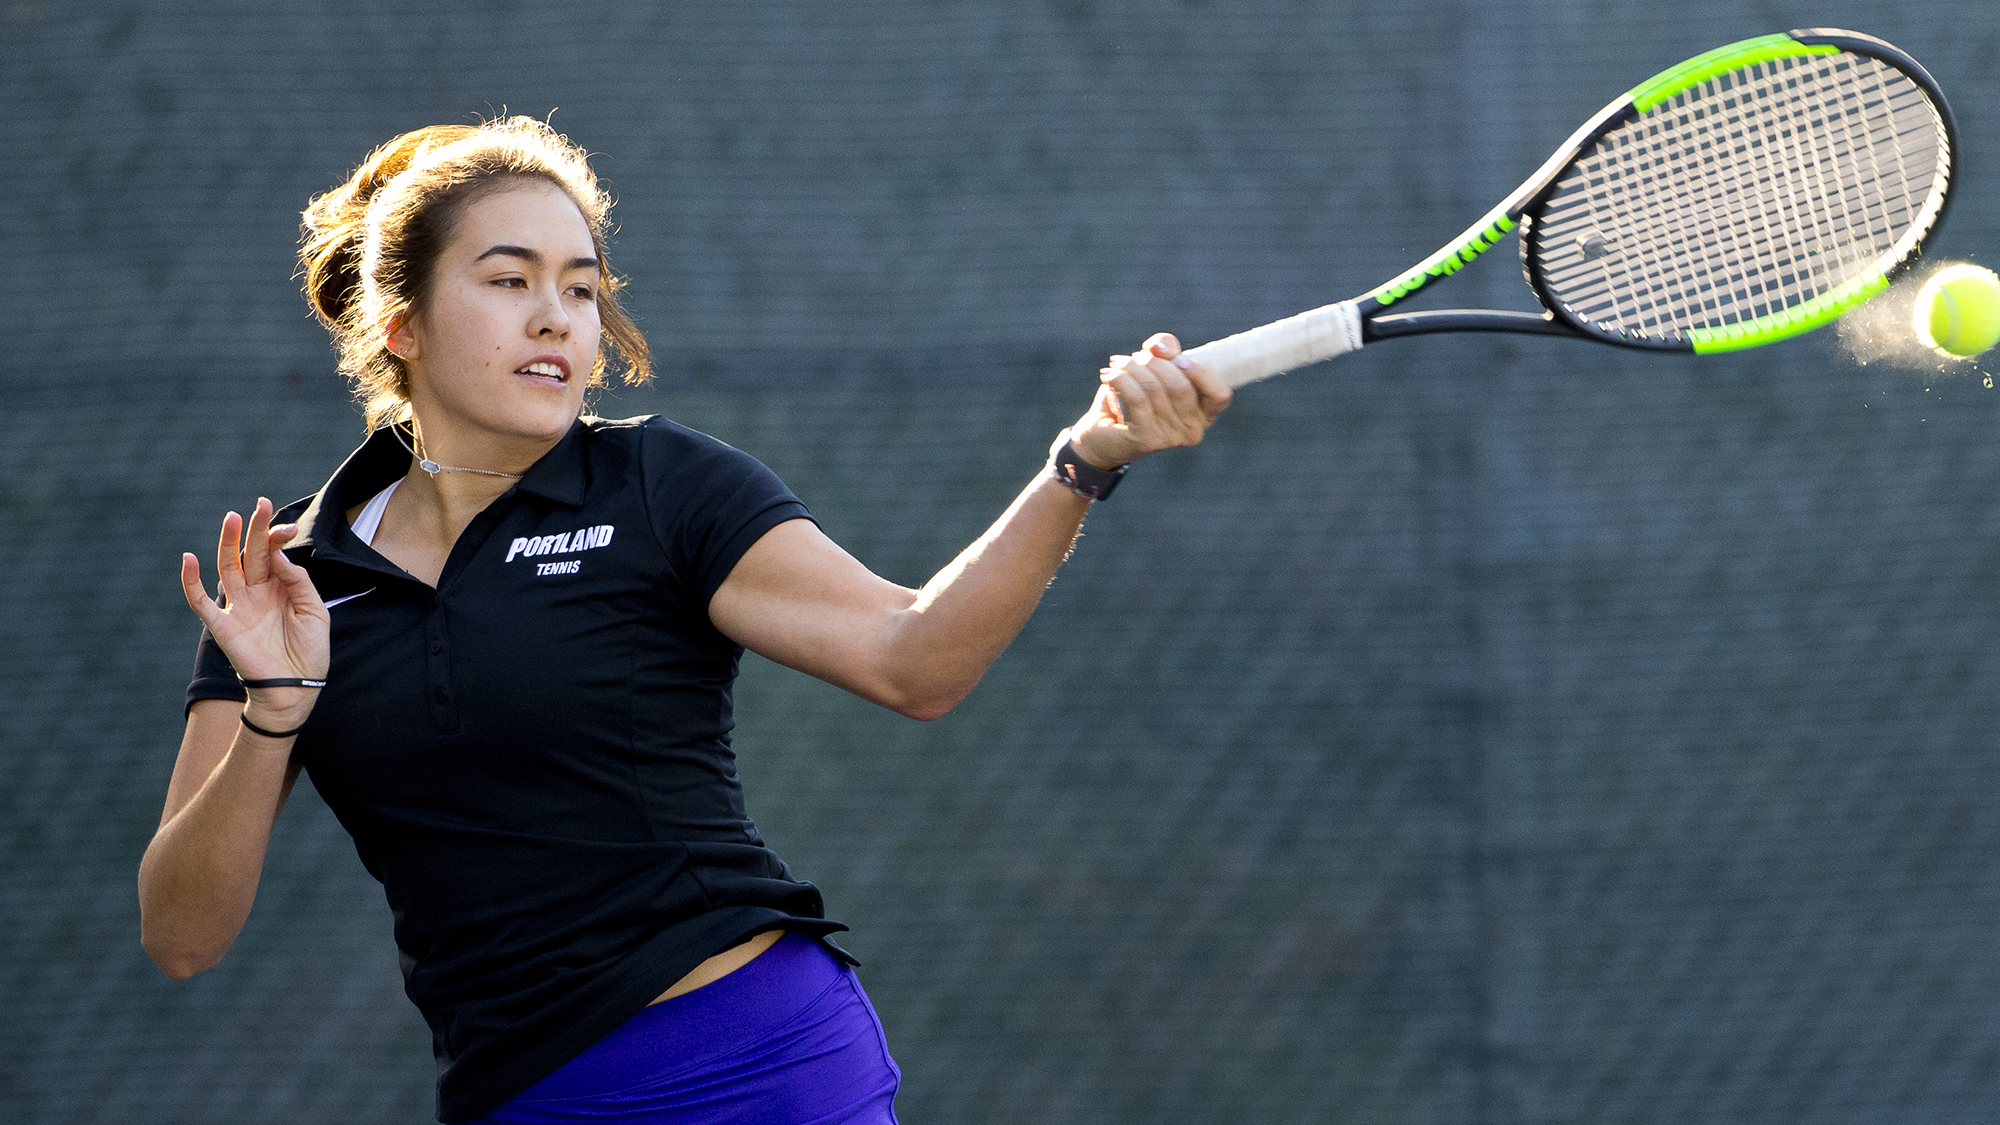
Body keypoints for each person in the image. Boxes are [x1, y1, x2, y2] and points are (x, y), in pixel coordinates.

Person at [137, 116, 1229, 1124]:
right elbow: (181, 938)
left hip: (756, 1057)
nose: (555, 317)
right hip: (516, 1093)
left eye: (579, 287)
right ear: (401, 323)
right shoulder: (287, 576)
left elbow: (917, 660)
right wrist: (275, 708)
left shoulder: (663, 486)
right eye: (508, 279)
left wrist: (1082, 459)